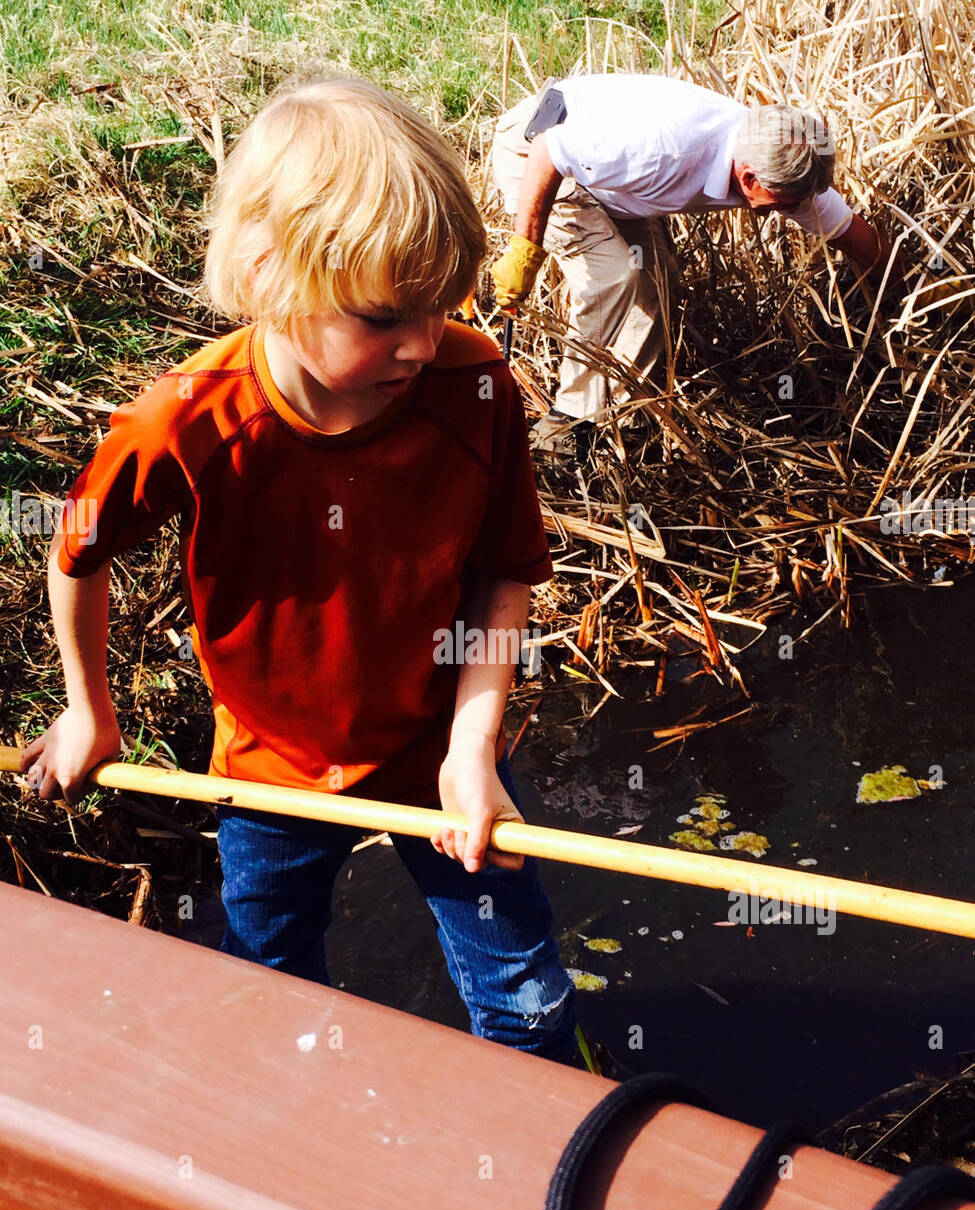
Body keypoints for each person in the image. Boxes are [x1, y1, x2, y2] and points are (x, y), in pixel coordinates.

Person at [20, 77, 579, 1067]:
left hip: (435, 753)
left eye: (439, 304)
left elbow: (503, 578)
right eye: (381, 317)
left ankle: (539, 1162)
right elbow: (78, 552)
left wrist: (474, 744)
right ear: (276, 274)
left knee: (526, 992)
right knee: (269, 979)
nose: (419, 341)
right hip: (273, 764)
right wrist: (86, 708)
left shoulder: (474, 384)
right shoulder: (188, 418)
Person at [490, 74, 898, 452]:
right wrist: (524, 251)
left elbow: (855, 237)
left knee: (658, 278)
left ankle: (628, 418)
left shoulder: (787, 166)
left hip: (605, 178)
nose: (787, 213)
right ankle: (566, 427)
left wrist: (906, 291)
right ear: (752, 180)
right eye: (783, 205)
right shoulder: (666, 148)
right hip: (534, 152)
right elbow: (549, 149)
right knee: (618, 276)